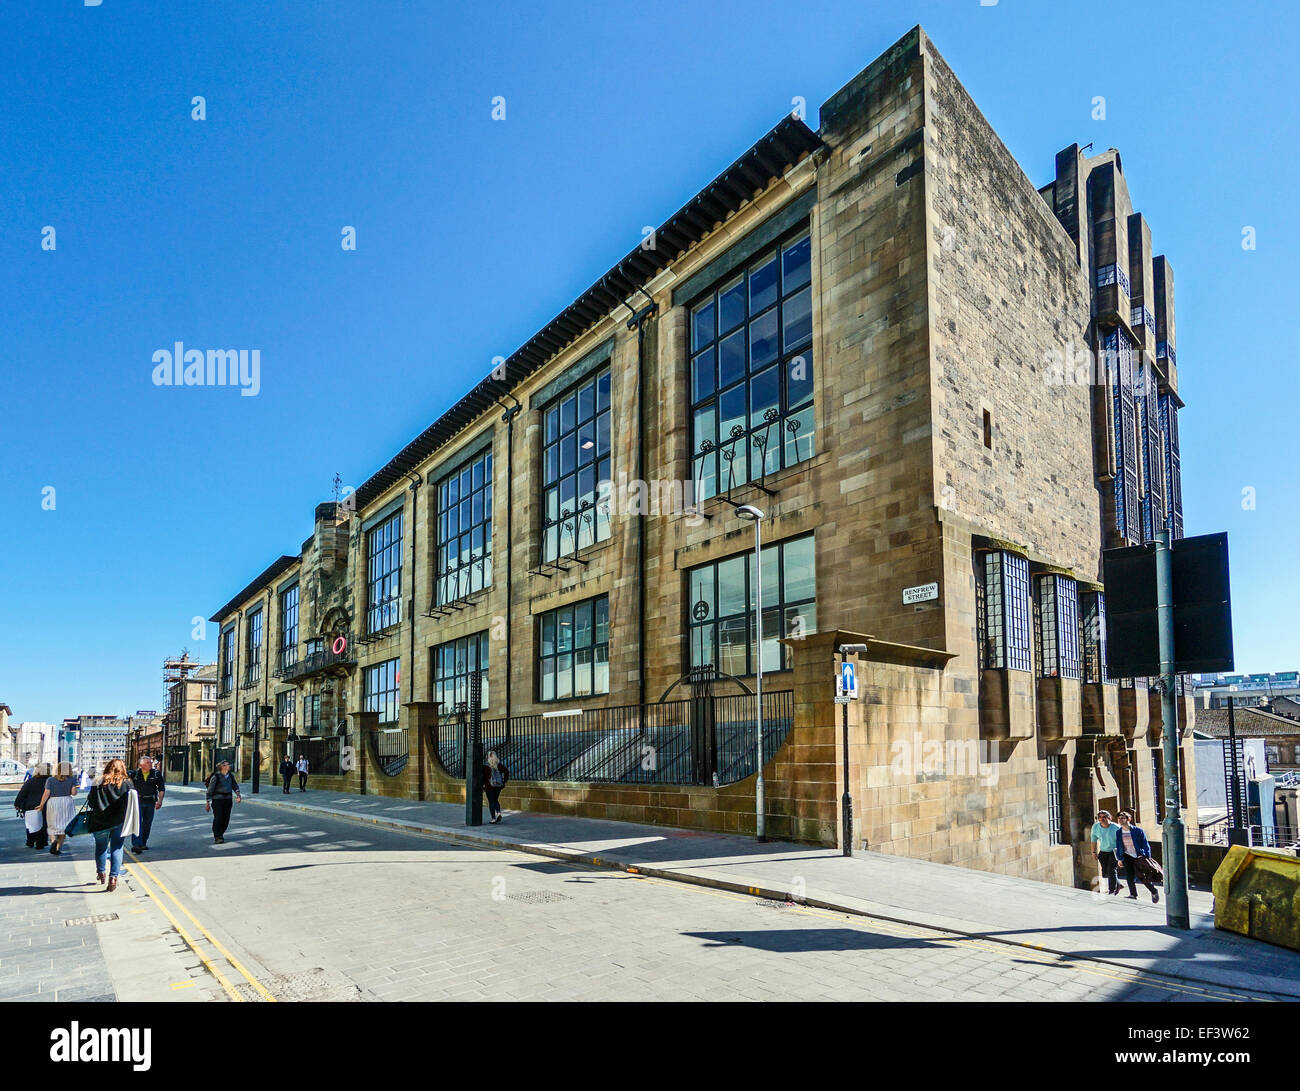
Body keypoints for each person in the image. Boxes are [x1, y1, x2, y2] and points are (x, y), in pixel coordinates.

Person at [86, 759, 140, 892]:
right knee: (117, 848)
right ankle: (113, 878)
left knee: (101, 847)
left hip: (100, 821)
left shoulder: (98, 781)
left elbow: (91, 802)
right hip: (118, 821)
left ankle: (101, 872)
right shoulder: (127, 783)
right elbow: (131, 803)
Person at [1115, 810, 1160, 903]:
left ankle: (1154, 891)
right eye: (1119, 818)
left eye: (1123, 818)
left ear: (1129, 819)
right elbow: (1119, 845)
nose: (1120, 820)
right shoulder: (1118, 832)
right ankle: (1133, 894)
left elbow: (1145, 844)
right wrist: (1119, 858)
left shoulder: (1138, 831)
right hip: (1127, 856)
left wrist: (1147, 856)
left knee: (1142, 877)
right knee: (1129, 876)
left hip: (1138, 856)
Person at [40, 761, 79, 856]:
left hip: (53, 802)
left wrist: (41, 805)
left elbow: (46, 793)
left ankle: (53, 840)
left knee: (52, 824)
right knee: (64, 826)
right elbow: (73, 793)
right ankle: (57, 848)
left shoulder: (50, 779)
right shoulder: (72, 779)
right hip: (66, 802)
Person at [127, 756, 165, 852]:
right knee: (137, 822)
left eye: (150, 762)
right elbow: (124, 777)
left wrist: (160, 801)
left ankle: (143, 843)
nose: (150, 764)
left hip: (150, 802)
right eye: (148, 762)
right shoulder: (135, 774)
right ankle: (136, 844)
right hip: (138, 802)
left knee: (147, 824)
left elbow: (161, 789)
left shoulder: (156, 774)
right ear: (141, 765)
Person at [205, 760, 242, 844]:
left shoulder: (231, 776)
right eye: (227, 764)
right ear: (222, 767)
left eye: (228, 764)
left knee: (226, 819)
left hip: (228, 800)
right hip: (217, 800)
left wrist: (238, 795)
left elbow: (235, 785)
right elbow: (210, 790)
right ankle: (218, 836)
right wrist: (207, 802)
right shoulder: (216, 777)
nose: (229, 766)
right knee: (218, 818)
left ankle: (220, 833)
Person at [15, 763, 51, 850]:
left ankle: (30, 841)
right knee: (43, 824)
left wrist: (17, 804)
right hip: (45, 805)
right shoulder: (50, 781)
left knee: (31, 824)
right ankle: (41, 842)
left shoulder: (30, 781)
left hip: (30, 806)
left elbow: (22, 793)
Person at [1090, 809, 1121, 896]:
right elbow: (1093, 840)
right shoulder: (1095, 827)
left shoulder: (1116, 827)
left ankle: (1112, 890)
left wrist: (1121, 854)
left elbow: (1122, 841)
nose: (1102, 819)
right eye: (1100, 817)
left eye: (1104, 817)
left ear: (1109, 818)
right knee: (1106, 871)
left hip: (1114, 852)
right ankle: (1118, 884)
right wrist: (1093, 852)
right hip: (1103, 851)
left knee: (1112, 870)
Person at [482, 751, 509, 824]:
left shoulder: (485, 765)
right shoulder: (498, 764)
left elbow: (483, 777)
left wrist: (483, 785)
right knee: (495, 800)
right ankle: (498, 813)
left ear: (488, 757)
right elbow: (506, 771)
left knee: (491, 802)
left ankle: (493, 818)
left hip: (489, 786)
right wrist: (504, 781)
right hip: (498, 785)